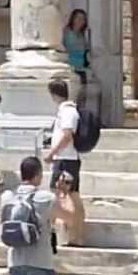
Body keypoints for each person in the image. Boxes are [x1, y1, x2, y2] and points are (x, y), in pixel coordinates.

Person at [3, 156, 77, 275]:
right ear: (38, 175)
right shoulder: (45, 198)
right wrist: (65, 193)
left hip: (16, 261)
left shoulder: (8, 197)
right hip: (41, 262)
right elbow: (71, 218)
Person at [42, 79, 85, 247]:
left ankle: (72, 235)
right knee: (71, 196)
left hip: (65, 160)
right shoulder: (68, 110)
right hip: (67, 159)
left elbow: (67, 136)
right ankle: (75, 235)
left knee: (63, 197)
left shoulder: (67, 112)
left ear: (53, 95)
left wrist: (52, 154)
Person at [62, 9, 91, 86]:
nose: (80, 21)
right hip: (70, 68)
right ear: (73, 19)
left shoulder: (82, 35)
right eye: (78, 18)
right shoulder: (66, 32)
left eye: (83, 19)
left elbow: (86, 50)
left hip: (81, 69)